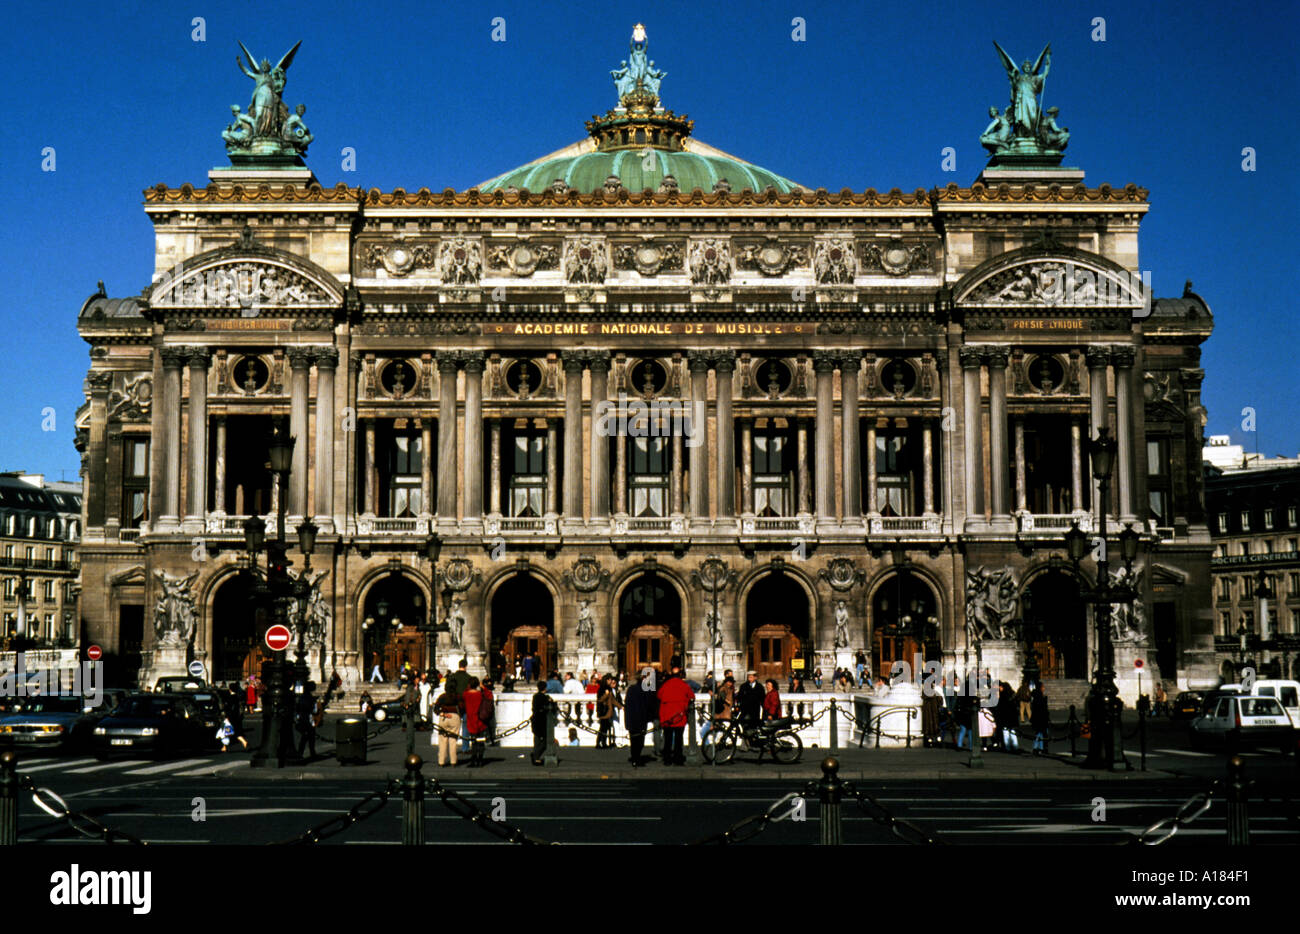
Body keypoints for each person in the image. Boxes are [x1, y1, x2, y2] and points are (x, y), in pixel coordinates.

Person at [657, 663, 695, 766]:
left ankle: (667, 759)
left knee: (668, 739)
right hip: (679, 716)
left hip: (667, 716)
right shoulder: (684, 685)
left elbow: (659, 695)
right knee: (679, 739)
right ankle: (678, 759)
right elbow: (692, 696)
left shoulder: (666, 685)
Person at [623, 666, 656, 767]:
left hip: (632, 719)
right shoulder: (646, 690)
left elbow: (627, 705)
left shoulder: (631, 689)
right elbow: (649, 705)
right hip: (641, 719)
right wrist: (651, 717)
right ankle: (636, 759)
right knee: (640, 741)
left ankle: (634, 758)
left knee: (634, 741)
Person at [445, 659, 472, 754]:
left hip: (453, 704)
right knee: (465, 726)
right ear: (466, 666)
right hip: (465, 704)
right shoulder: (469, 678)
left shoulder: (452, 677)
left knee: (453, 727)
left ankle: (451, 747)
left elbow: (446, 689)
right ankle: (465, 747)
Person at [432, 683, 462, 767]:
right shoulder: (457, 696)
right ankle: (453, 761)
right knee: (453, 740)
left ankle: (441, 761)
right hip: (454, 717)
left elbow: (436, 709)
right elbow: (462, 708)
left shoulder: (442, 697)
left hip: (443, 717)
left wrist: (441, 713)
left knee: (442, 740)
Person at [463, 677, 487, 767]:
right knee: (481, 741)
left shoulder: (466, 694)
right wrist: (482, 687)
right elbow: (489, 695)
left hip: (471, 720)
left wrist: (468, 686)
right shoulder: (480, 694)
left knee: (473, 741)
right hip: (480, 720)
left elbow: (464, 693)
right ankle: (480, 759)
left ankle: (473, 759)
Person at [530, 682, 553, 765]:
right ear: (545, 688)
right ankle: (536, 756)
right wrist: (550, 701)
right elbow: (550, 707)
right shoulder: (545, 698)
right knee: (545, 741)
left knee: (537, 739)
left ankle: (536, 756)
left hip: (535, 720)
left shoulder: (535, 696)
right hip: (542, 721)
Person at [596, 675, 622, 749]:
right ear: (606, 680)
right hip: (603, 710)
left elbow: (613, 700)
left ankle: (604, 742)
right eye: (609, 680)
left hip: (608, 711)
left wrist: (620, 706)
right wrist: (606, 695)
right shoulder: (602, 689)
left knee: (606, 727)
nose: (611, 681)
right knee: (603, 727)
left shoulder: (609, 688)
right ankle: (599, 743)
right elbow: (600, 700)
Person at [295, 682, 318, 759]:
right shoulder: (311, 698)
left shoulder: (301, 698)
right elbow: (315, 710)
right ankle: (312, 752)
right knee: (311, 737)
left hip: (302, 718)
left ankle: (300, 753)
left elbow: (297, 709)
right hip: (308, 718)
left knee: (304, 737)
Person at [400, 677, 420, 755]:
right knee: (410, 733)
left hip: (414, 710)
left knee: (412, 733)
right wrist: (408, 704)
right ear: (414, 680)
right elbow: (408, 698)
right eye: (417, 679)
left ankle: (411, 751)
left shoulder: (417, 687)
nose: (419, 680)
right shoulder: (410, 688)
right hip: (410, 711)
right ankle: (409, 752)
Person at [1030, 682, 1050, 755]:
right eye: (1043, 687)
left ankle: (1038, 747)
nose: (1044, 688)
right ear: (1040, 688)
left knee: (1039, 733)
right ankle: (1039, 748)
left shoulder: (1035, 697)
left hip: (1037, 718)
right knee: (1042, 733)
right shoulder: (1040, 698)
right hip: (1041, 718)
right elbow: (1043, 709)